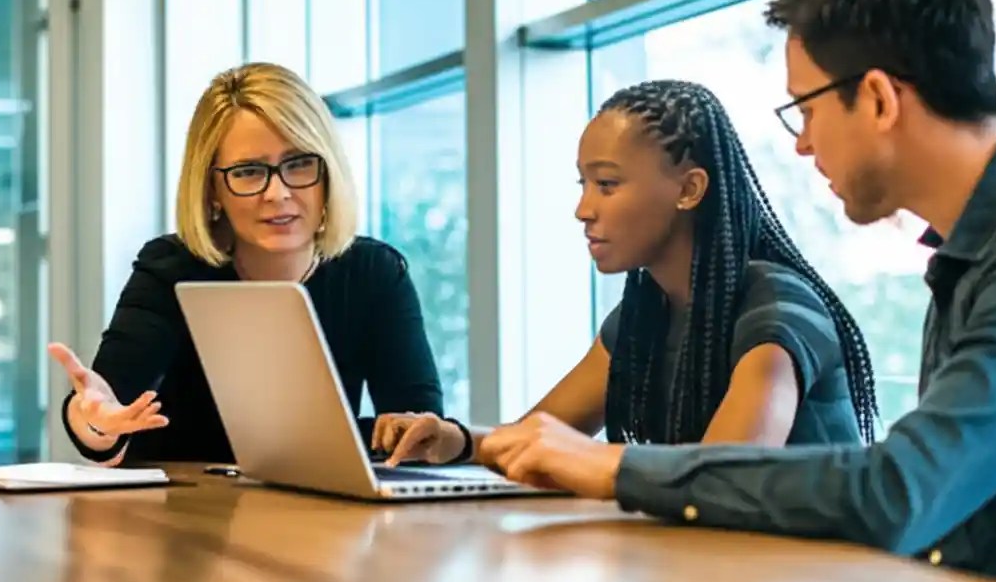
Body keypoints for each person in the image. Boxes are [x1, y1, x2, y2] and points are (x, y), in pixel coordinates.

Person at [478, 0, 996, 582]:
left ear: (880, 99)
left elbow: (899, 491)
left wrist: (613, 468)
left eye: (806, 111)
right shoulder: (978, 249)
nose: (801, 145)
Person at [374, 77, 878, 467]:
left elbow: (722, 475)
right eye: (584, 183)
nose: (583, 209)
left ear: (689, 189)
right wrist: (453, 439)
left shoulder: (775, 310)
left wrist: (582, 462)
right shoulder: (643, 316)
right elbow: (538, 437)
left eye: (608, 185)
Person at [48, 61, 445, 466]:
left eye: (299, 164)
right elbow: (108, 415)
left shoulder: (374, 273)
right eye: (249, 171)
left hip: (316, 514)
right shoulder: (172, 268)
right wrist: (91, 420)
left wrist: (404, 434)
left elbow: (418, 433)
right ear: (212, 189)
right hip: (179, 515)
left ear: (328, 173)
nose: (278, 192)